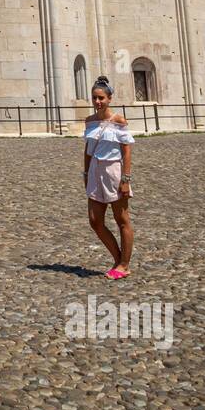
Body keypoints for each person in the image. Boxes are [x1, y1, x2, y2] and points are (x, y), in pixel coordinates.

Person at [83, 76, 135, 280]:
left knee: (121, 218)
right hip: (95, 171)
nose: (98, 102)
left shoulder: (119, 120)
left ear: (109, 98)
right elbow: (87, 150)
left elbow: (127, 151)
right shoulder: (89, 121)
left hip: (114, 170)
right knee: (95, 220)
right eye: (95, 98)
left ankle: (124, 264)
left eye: (101, 98)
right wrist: (86, 173)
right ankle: (117, 259)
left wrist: (126, 178)